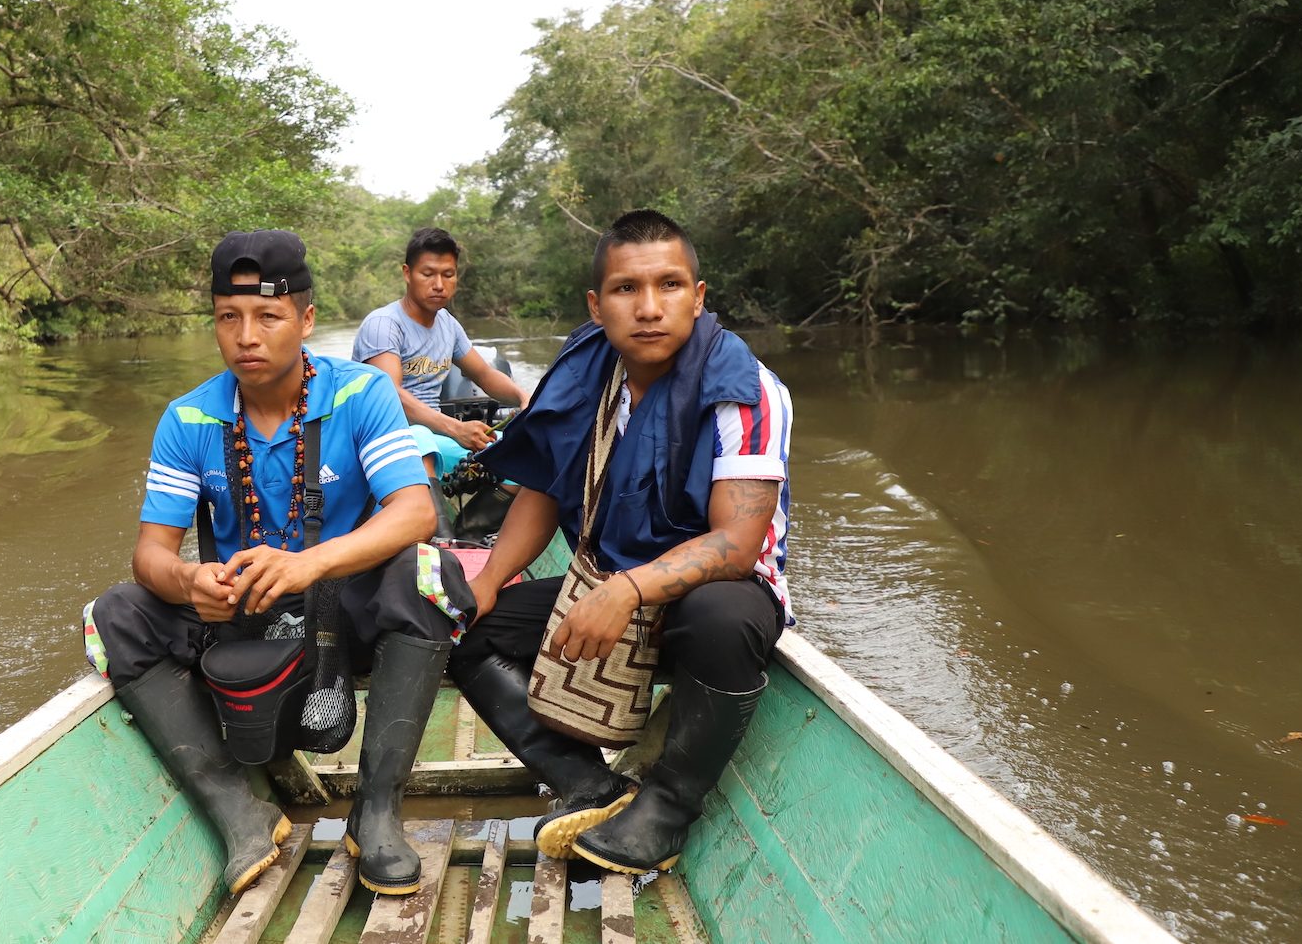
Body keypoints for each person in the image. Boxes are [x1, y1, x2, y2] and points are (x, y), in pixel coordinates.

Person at [82, 230, 470, 898]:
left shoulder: (360, 394)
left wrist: (309, 565)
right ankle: (239, 811)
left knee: (426, 575)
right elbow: (151, 552)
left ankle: (376, 810)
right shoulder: (189, 417)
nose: (246, 336)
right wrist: (189, 579)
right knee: (114, 614)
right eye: (228, 318)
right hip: (240, 614)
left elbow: (414, 513)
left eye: (268, 315)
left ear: (307, 319)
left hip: (341, 611)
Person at [450, 209, 793, 876]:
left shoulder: (745, 389)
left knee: (723, 614)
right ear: (596, 305)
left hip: (707, 592)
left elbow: (736, 543)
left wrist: (629, 589)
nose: (649, 307)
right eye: (626, 289)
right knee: (464, 623)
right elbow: (546, 491)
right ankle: (590, 786)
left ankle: (667, 805)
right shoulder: (586, 373)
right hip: (607, 575)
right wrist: (489, 579)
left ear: (698, 296)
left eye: (670, 285)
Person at [351, 227, 528, 481]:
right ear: (407, 274)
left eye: (448, 275)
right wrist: (456, 428)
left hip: (435, 434)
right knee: (421, 438)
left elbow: (484, 374)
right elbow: (390, 395)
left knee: (529, 453)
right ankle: (433, 516)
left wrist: (524, 397)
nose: (438, 285)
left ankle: (473, 521)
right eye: (428, 274)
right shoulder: (383, 324)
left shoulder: (448, 324)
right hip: (391, 435)